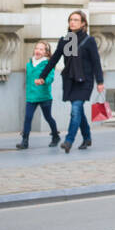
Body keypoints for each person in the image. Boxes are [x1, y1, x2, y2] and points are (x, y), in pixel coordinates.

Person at [37, 10, 104, 153]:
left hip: (84, 81)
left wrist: (100, 81)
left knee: (75, 110)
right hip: (70, 80)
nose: (72, 22)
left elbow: (96, 62)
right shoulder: (65, 40)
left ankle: (68, 141)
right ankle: (87, 137)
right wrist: (42, 76)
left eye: (76, 20)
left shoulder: (89, 41)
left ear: (83, 23)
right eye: (71, 20)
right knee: (78, 111)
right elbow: (53, 60)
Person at [17, 41, 60, 149]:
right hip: (31, 96)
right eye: (37, 48)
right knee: (28, 117)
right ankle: (25, 141)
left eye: (41, 49)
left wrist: (43, 81)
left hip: (44, 96)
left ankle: (55, 135)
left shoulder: (48, 64)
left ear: (46, 52)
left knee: (48, 117)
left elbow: (50, 78)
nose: (38, 51)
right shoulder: (29, 63)